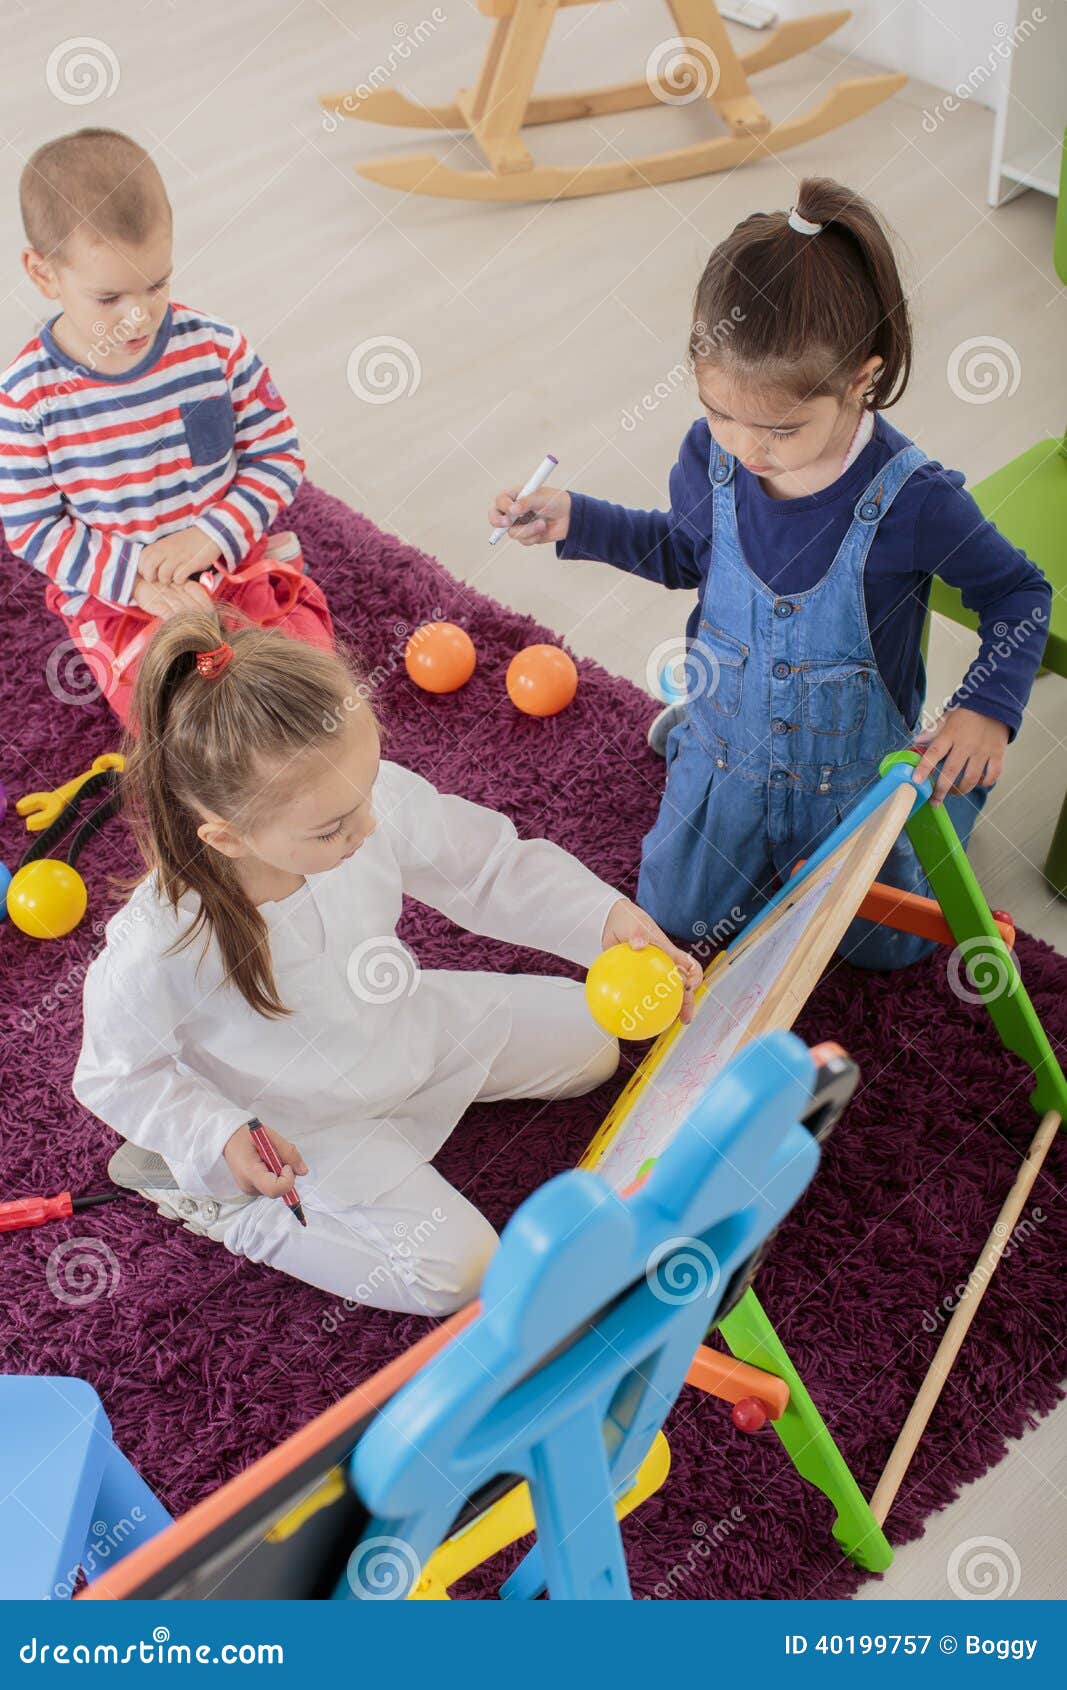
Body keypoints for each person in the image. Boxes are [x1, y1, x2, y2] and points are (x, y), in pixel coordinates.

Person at [488, 178, 1051, 969]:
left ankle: (949, 801)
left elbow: (1020, 594)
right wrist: (578, 519)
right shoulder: (707, 454)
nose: (746, 448)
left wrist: (984, 710)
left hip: (848, 777)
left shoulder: (915, 501)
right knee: (676, 916)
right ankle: (691, 735)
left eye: (780, 428)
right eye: (720, 414)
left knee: (882, 946)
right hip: (730, 755)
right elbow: (687, 556)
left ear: (861, 378)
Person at [73, 615, 701, 1315]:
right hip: (304, 1126)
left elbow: (486, 869)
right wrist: (217, 1134)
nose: (366, 827)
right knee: (460, 1275)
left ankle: (403, 1119)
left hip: (402, 1028)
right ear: (227, 836)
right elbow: (115, 1072)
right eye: (332, 828)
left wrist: (602, 920)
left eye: (367, 792)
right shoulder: (158, 944)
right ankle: (230, 1215)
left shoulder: (351, 800)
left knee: (594, 1048)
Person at [0, 129, 329, 720]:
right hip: (124, 596)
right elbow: (33, 528)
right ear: (44, 274)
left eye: (157, 284)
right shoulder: (26, 400)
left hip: (229, 558)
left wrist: (213, 534)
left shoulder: (216, 351)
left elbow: (276, 455)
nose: (139, 316)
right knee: (177, 713)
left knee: (306, 677)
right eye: (109, 298)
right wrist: (137, 583)